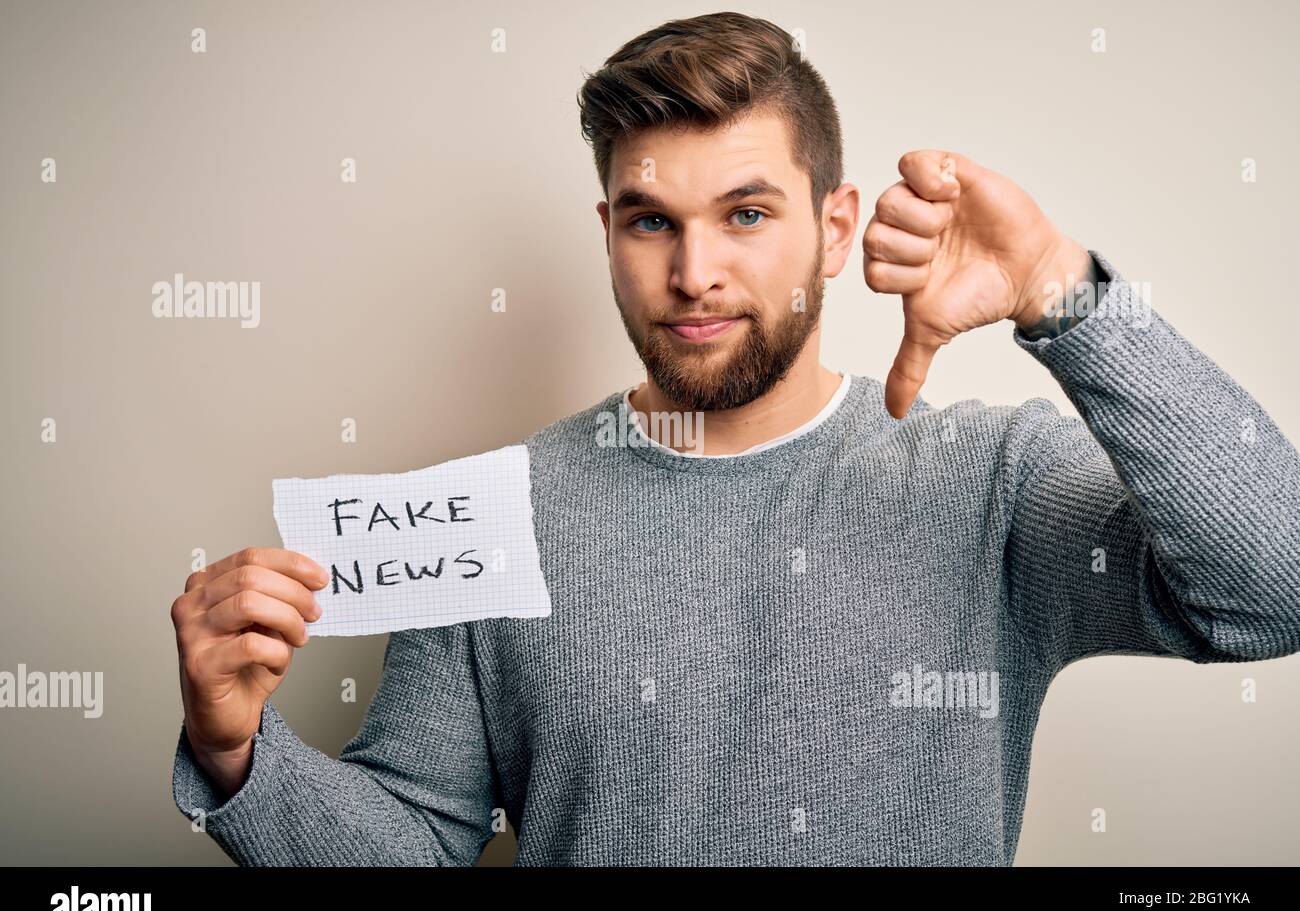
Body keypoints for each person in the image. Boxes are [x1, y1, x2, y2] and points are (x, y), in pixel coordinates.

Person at [169, 12, 1300, 865]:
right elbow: (415, 839)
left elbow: (1275, 583)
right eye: (651, 219)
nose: (693, 271)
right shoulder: (492, 511)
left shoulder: (990, 481)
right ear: (607, 230)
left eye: (747, 214)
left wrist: (1065, 294)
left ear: (834, 229)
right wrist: (237, 754)